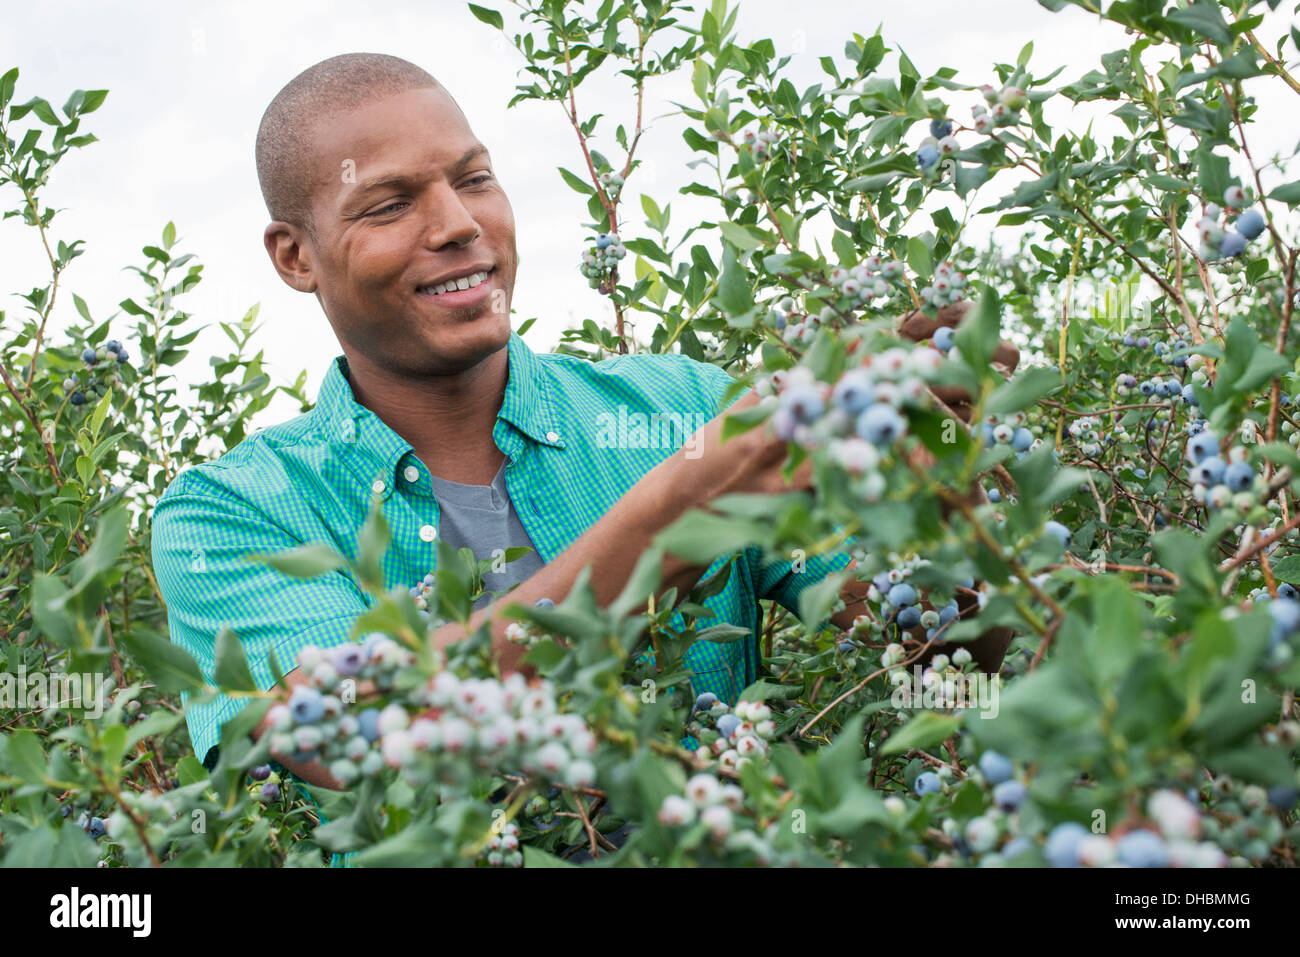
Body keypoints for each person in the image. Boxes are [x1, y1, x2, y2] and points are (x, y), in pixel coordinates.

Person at [151, 53, 1017, 796]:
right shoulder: (233, 514)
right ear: (295, 255)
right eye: (388, 205)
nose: (457, 224)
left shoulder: (687, 406)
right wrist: (681, 511)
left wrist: (942, 487)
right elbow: (361, 743)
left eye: (474, 178)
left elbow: (950, 683)